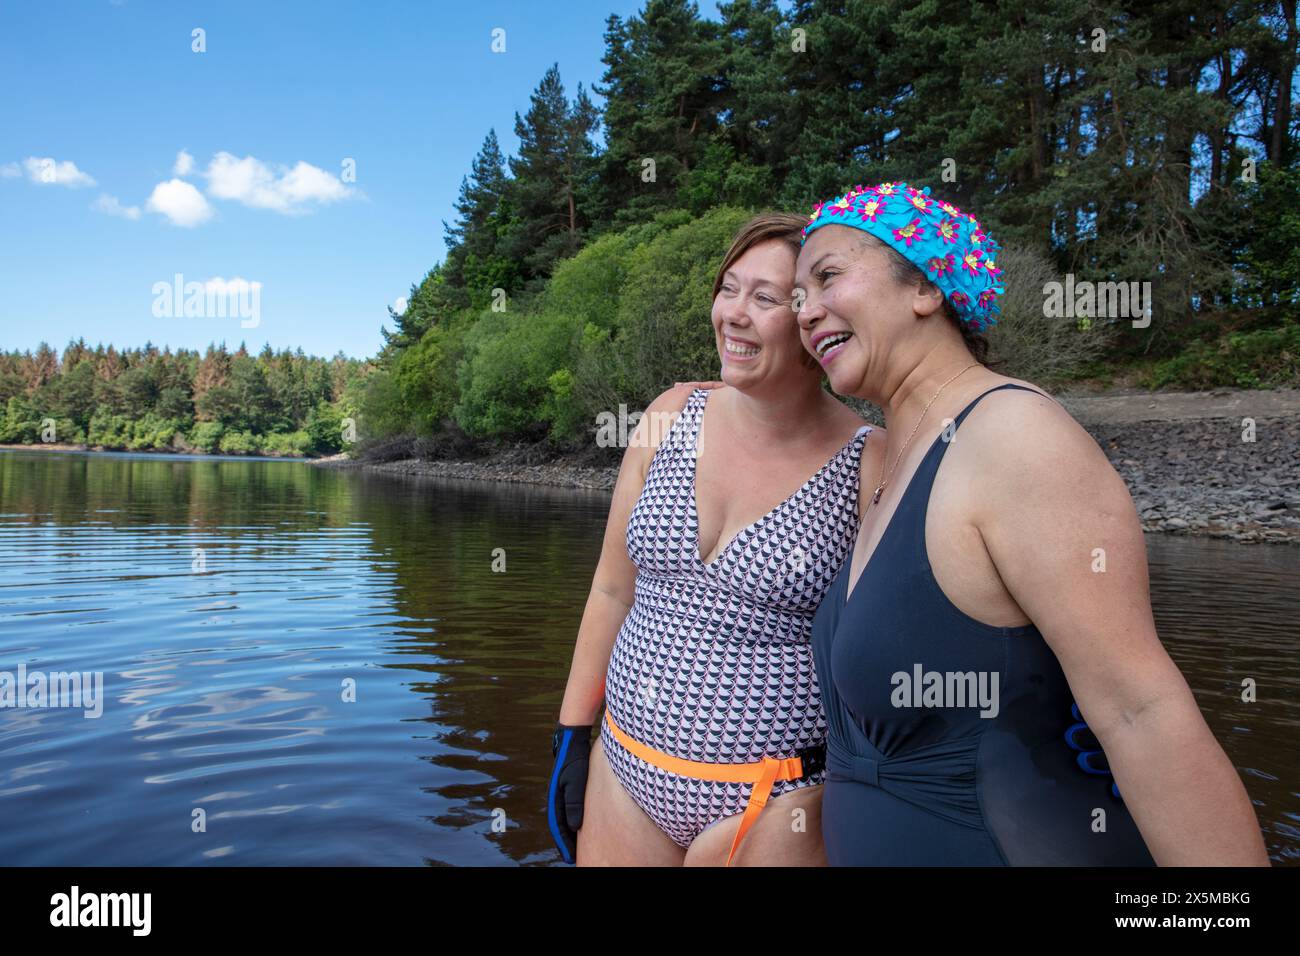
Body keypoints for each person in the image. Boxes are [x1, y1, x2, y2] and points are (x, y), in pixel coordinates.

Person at [794, 182, 1270, 865]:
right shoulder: (888, 459)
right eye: (797, 297)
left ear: (925, 288)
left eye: (828, 277)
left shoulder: (1015, 438)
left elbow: (1142, 713)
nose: (805, 312)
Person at [547, 213, 885, 865]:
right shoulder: (669, 415)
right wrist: (569, 734)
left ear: (814, 318)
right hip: (625, 773)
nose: (734, 313)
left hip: (777, 805)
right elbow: (613, 588)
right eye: (728, 289)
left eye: (764, 298)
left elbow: (895, 642)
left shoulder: (868, 461)